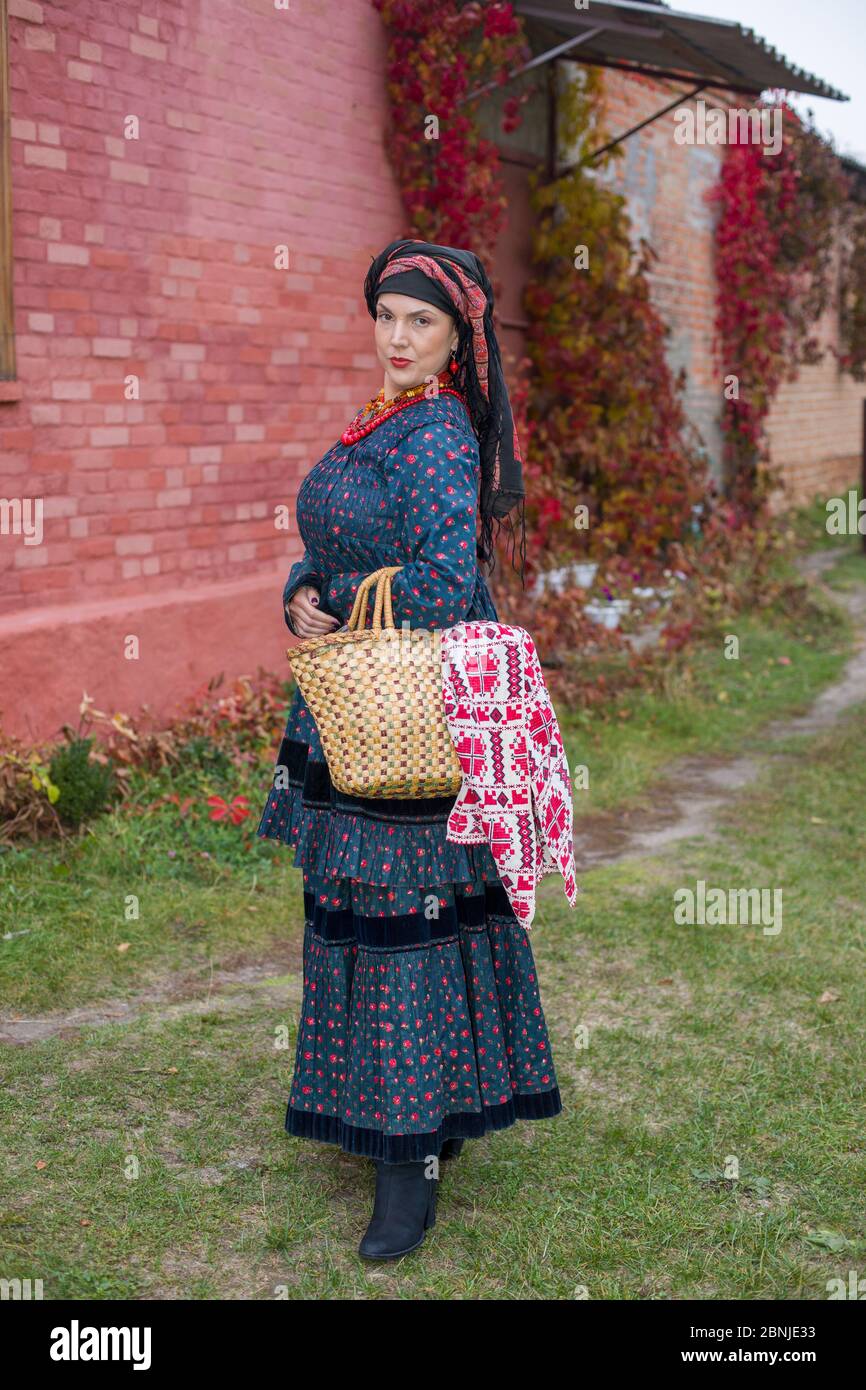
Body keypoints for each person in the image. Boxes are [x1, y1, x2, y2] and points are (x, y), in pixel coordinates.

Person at [257, 238, 562, 1260]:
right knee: (381, 918)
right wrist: (303, 588)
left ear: (454, 336)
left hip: (410, 709)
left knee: (401, 927)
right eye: (384, 315)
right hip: (358, 700)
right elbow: (357, 544)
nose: (395, 336)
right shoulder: (384, 417)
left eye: (417, 321)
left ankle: (408, 1175)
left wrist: (335, 603)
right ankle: (418, 1119)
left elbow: (436, 581)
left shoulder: (433, 429)